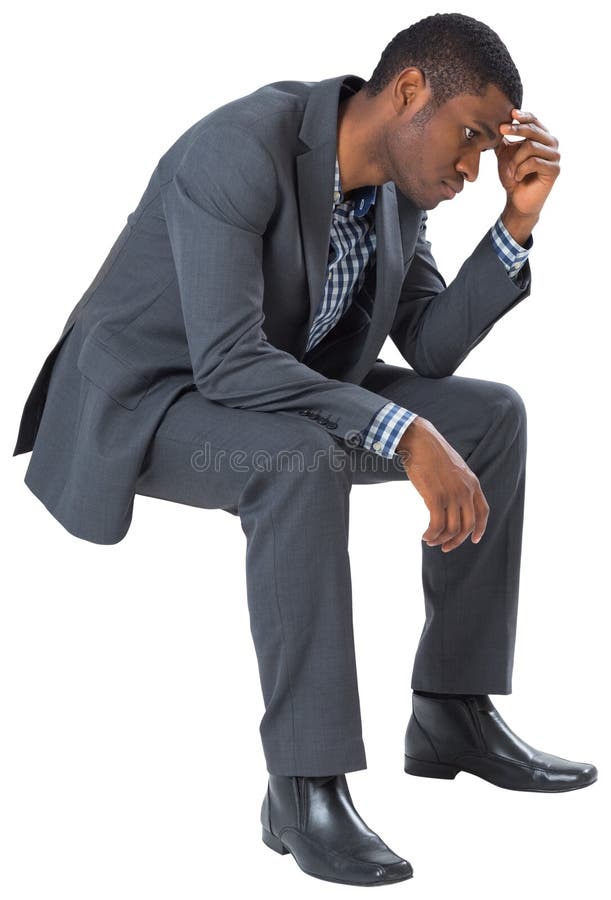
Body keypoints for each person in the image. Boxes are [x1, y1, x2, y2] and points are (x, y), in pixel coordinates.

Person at [13, 11, 597, 887]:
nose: (473, 169)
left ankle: (451, 712)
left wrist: (514, 224)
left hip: (282, 385)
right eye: (469, 136)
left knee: (490, 418)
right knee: (300, 460)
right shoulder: (240, 149)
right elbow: (227, 359)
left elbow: (429, 346)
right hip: (155, 398)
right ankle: (301, 786)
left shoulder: (400, 191)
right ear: (408, 92)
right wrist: (398, 430)